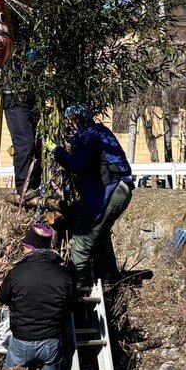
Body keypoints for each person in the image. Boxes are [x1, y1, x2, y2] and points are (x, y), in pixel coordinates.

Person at [0, 223, 73, 370]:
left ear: (29, 248)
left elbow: (2, 298)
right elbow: (69, 307)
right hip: (51, 343)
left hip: (22, 342)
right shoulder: (64, 274)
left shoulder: (17, 273)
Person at [48, 104, 133, 282]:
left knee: (83, 235)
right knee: (100, 234)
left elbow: (78, 164)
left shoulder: (88, 135)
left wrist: (57, 150)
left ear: (80, 119)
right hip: (119, 188)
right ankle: (110, 275)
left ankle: (79, 281)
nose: (68, 125)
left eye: (71, 121)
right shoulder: (98, 132)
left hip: (110, 190)